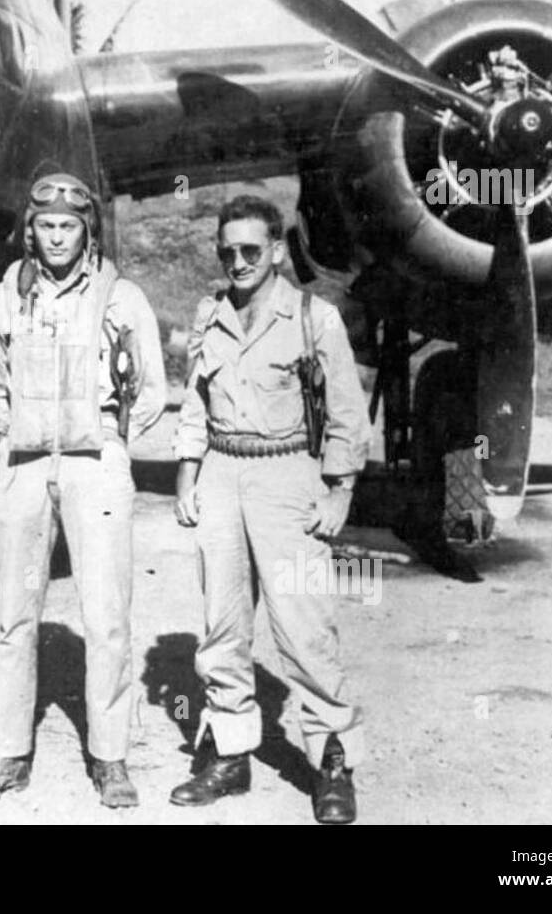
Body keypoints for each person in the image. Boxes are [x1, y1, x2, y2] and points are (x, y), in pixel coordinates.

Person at [0, 173, 166, 809]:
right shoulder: (6, 297)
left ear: (88, 231)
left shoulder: (120, 297)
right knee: (16, 616)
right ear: (31, 230)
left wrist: (108, 439)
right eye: (45, 226)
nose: (56, 237)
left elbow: (152, 389)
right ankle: (9, 753)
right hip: (22, 466)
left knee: (106, 616)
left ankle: (110, 757)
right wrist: (16, 430)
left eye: (68, 226)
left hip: (93, 466)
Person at [171, 194, 371, 823]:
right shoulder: (210, 316)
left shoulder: (313, 317)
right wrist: (187, 474)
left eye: (251, 250)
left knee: (305, 625)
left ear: (278, 251)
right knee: (223, 627)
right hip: (223, 474)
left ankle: (332, 759)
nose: (238, 261)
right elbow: (196, 404)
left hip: (290, 475)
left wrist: (340, 489)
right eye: (227, 251)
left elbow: (346, 410)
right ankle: (230, 753)